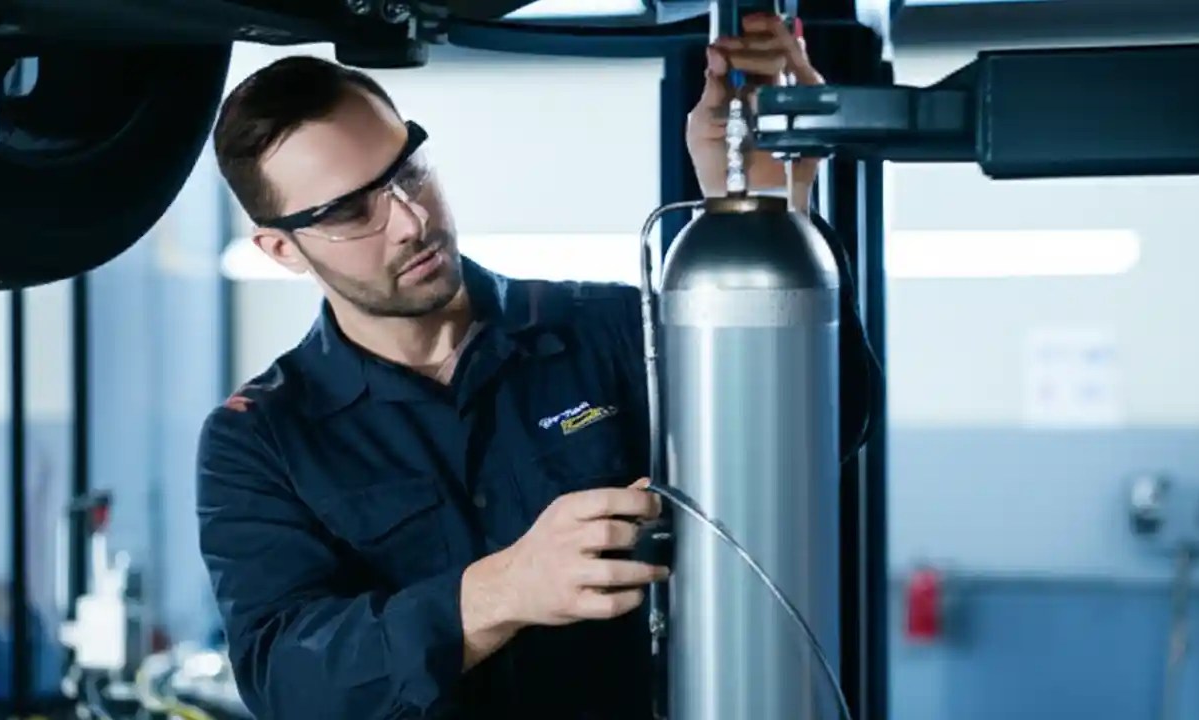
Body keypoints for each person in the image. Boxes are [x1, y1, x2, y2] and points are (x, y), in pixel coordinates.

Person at [197, 13, 870, 719]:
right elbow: (286, 682)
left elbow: (823, 433)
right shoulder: (261, 440)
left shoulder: (610, 330)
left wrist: (766, 205)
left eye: (407, 172)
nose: (409, 219)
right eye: (349, 210)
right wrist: (505, 589)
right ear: (281, 250)